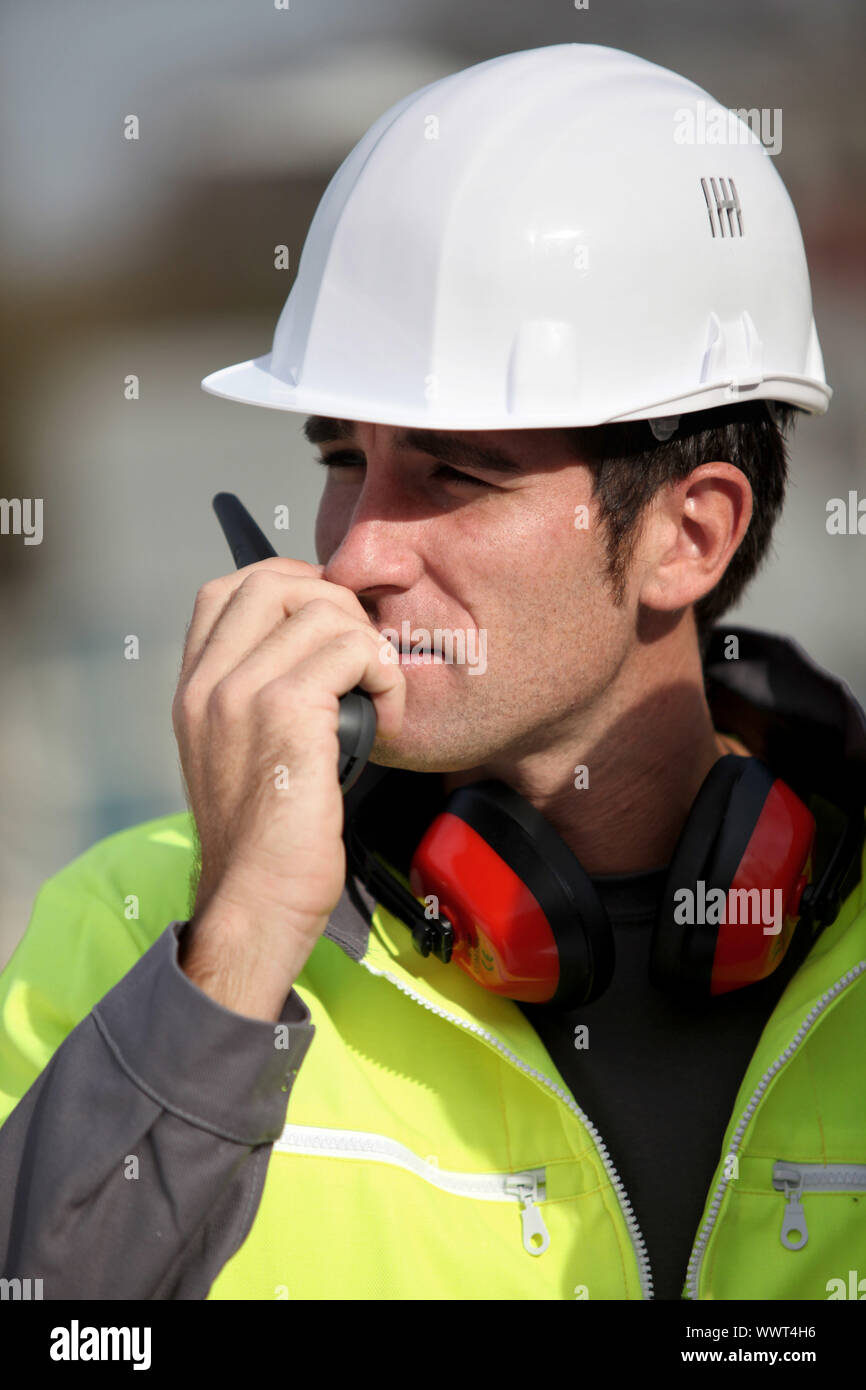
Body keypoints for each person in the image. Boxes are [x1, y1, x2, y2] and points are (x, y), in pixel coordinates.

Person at [1, 43, 864, 1303]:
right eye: (341, 457)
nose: (351, 551)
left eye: (452, 475)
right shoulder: (133, 924)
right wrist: (234, 956)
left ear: (689, 535)